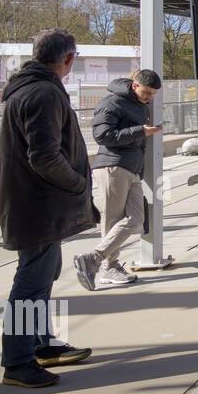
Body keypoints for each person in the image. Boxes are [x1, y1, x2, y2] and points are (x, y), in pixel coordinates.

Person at [0, 28, 97, 388]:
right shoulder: (44, 93)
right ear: (67, 59)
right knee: (30, 285)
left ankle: (41, 345)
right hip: (37, 208)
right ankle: (18, 361)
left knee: (42, 276)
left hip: (32, 206)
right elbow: (44, 156)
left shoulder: (28, 88)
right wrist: (78, 182)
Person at [74, 69, 163, 291]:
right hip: (113, 166)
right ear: (135, 86)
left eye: (152, 94)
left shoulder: (138, 105)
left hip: (131, 168)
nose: (149, 97)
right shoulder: (112, 102)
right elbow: (102, 135)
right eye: (147, 92)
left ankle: (94, 259)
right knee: (112, 220)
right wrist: (139, 131)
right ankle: (108, 267)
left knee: (136, 218)